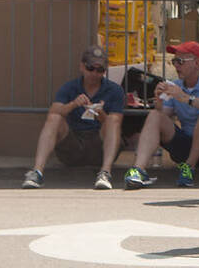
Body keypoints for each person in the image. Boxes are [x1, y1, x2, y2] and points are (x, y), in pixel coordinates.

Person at [126, 41, 199, 188]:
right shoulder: (175, 86)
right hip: (186, 147)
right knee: (155, 116)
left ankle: (189, 166)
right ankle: (138, 170)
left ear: (196, 62)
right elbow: (163, 117)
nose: (176, 65)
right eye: (174, 61)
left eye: (180, 61)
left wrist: (187, 99)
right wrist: (158, 100)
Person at [20, 46, 125, 189]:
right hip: (73, 144)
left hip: (99, 146)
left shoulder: (115, 90)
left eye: (100, 70)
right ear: (82, 67)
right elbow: (53, 111)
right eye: (90, 68)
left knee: (112, 120)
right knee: (54, 118)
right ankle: (37, 172)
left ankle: (105, 173)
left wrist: (101, 114)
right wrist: (73, 104)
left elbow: (117, 122)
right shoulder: (69, 87)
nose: (95, 73)